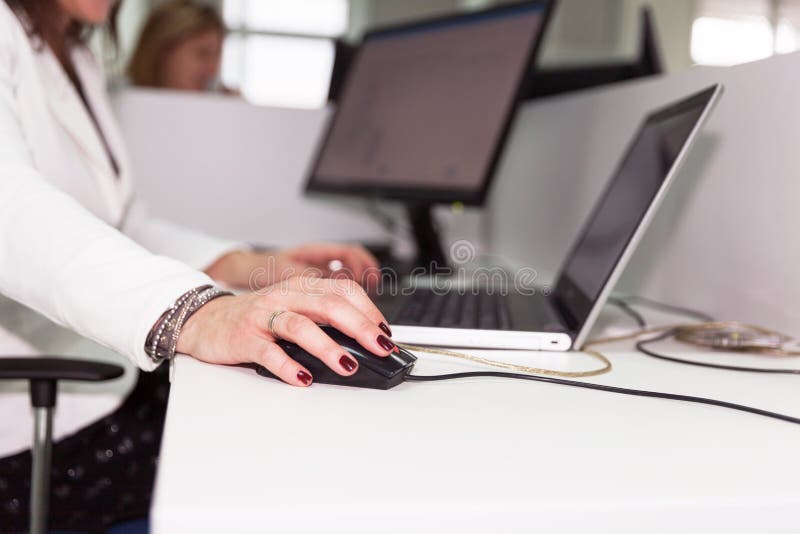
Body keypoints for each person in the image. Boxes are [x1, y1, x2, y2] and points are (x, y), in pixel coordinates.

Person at [0, 0, 396, 531]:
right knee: (274, 469)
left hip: (108, 374)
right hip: (39, 428)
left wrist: (256, 263)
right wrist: (195, 313)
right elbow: (11, 211)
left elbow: (122, 221)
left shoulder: (73, 53)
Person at [127, 0, 226, 92]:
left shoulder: (214, 105)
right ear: (162, 52)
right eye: (202, 54)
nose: (213, 70)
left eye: (216, 56)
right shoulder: (118, 103)